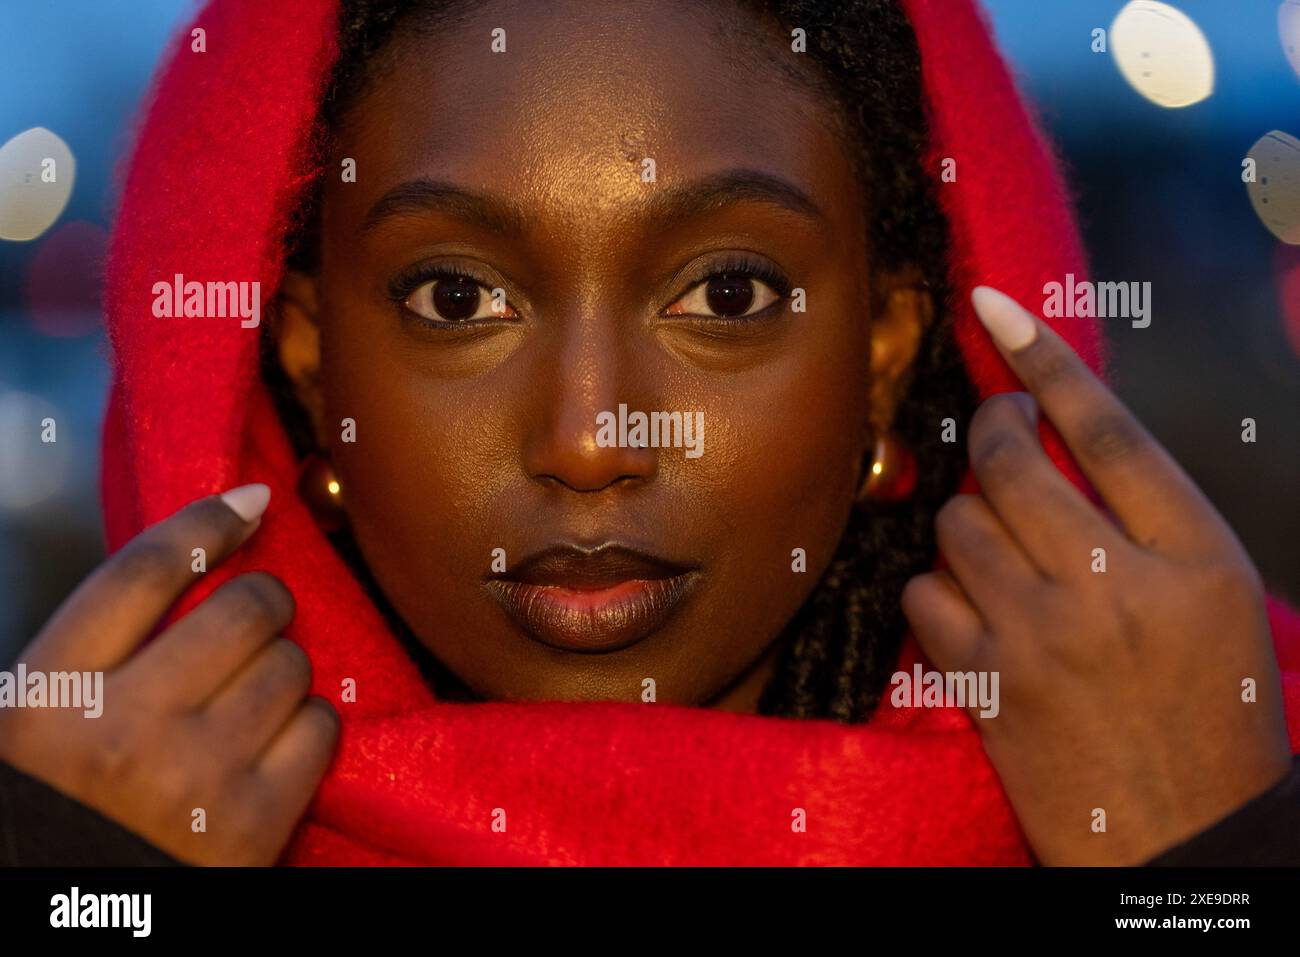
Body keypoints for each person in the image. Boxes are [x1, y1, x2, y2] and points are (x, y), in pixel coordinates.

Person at [1, 0, 1297, 867]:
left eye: (726, 295)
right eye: (458, 298)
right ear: (304, 357)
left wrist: (1205, 849)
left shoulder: (1224, 757)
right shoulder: (86, 828)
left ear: (887, 352)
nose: (587, 438)